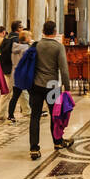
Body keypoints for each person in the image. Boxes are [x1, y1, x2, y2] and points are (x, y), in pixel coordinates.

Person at [29, 19, 72, 161]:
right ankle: (58, 142)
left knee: (34, 116)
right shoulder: (58, 47)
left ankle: (34, 148)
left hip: (36, 85)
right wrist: (67, 87)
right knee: (55, 115)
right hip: (52, 85)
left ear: (43, 31)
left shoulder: (36, 45)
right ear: (54, 31)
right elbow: (64, 70)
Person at [3, 29, 33, 122]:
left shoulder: (15, 47)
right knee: (32, 94)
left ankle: (10, 115)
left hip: (16, 73)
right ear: (26, 38)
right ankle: (35, 111)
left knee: (15, 96)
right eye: (30, 36)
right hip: (25, 73)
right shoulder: (26, 48)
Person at [0, 21, 24, 120]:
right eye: (21, 27)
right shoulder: (16, 40)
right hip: (14, 69)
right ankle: (0, 114)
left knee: (19, 92)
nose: (23, 29)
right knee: (8, 92)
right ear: (18, 28)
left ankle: (27, 110)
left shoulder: (7, 38)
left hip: (6, 68)